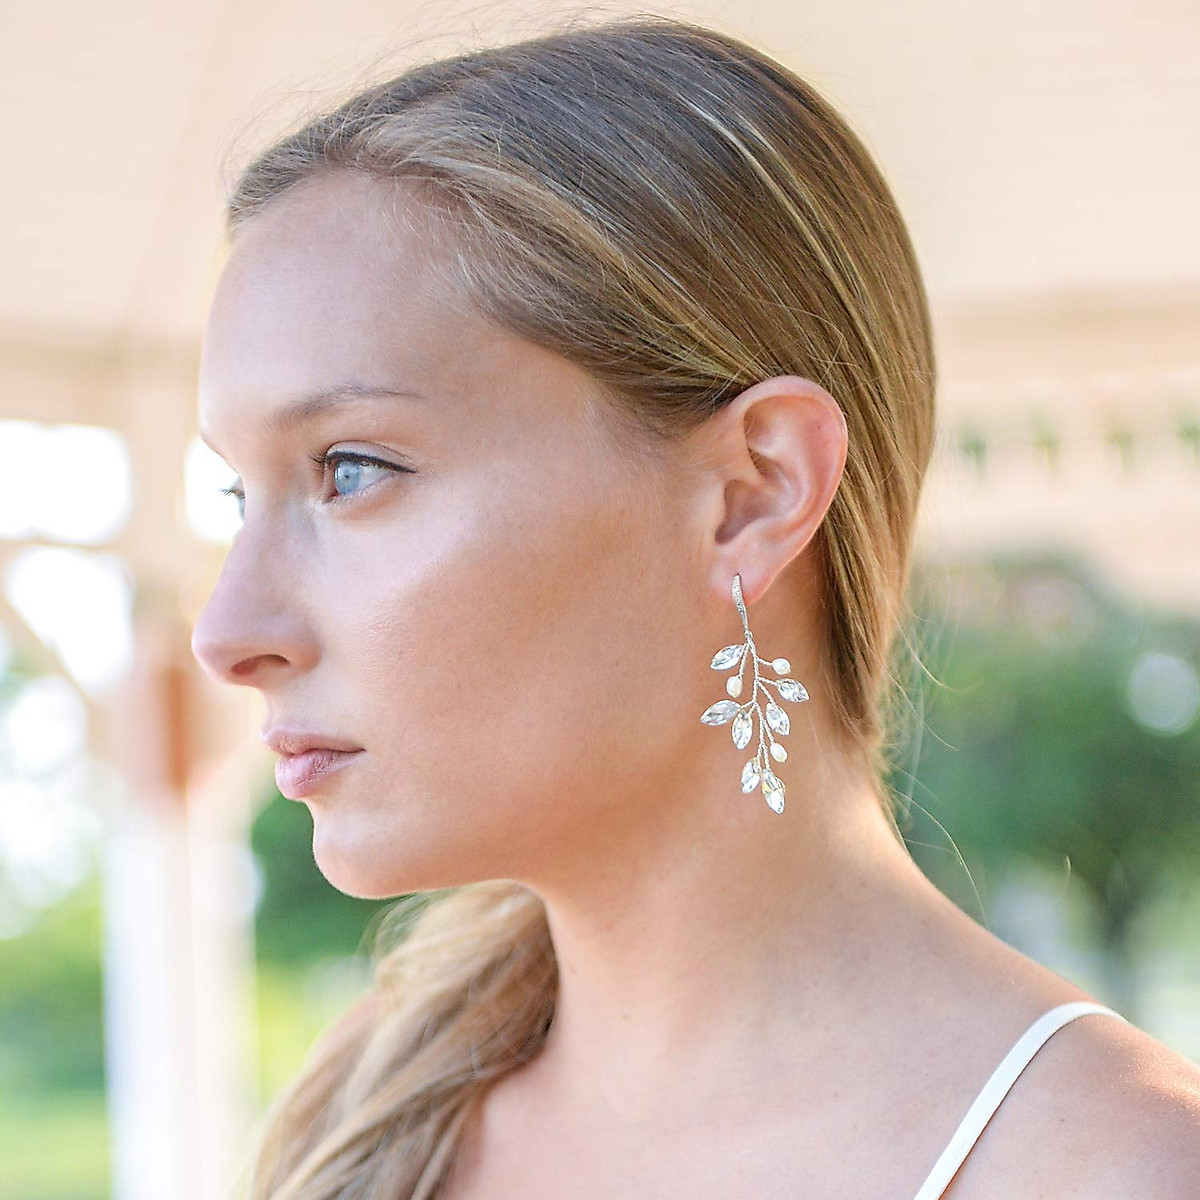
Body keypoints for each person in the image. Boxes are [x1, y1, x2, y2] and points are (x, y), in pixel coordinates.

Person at [188, 14, 1200, 1199]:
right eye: (235, 493)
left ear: (752, 495)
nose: (227, 631)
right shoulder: (371, 1108)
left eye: (350, 468)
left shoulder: (1111, 1170)